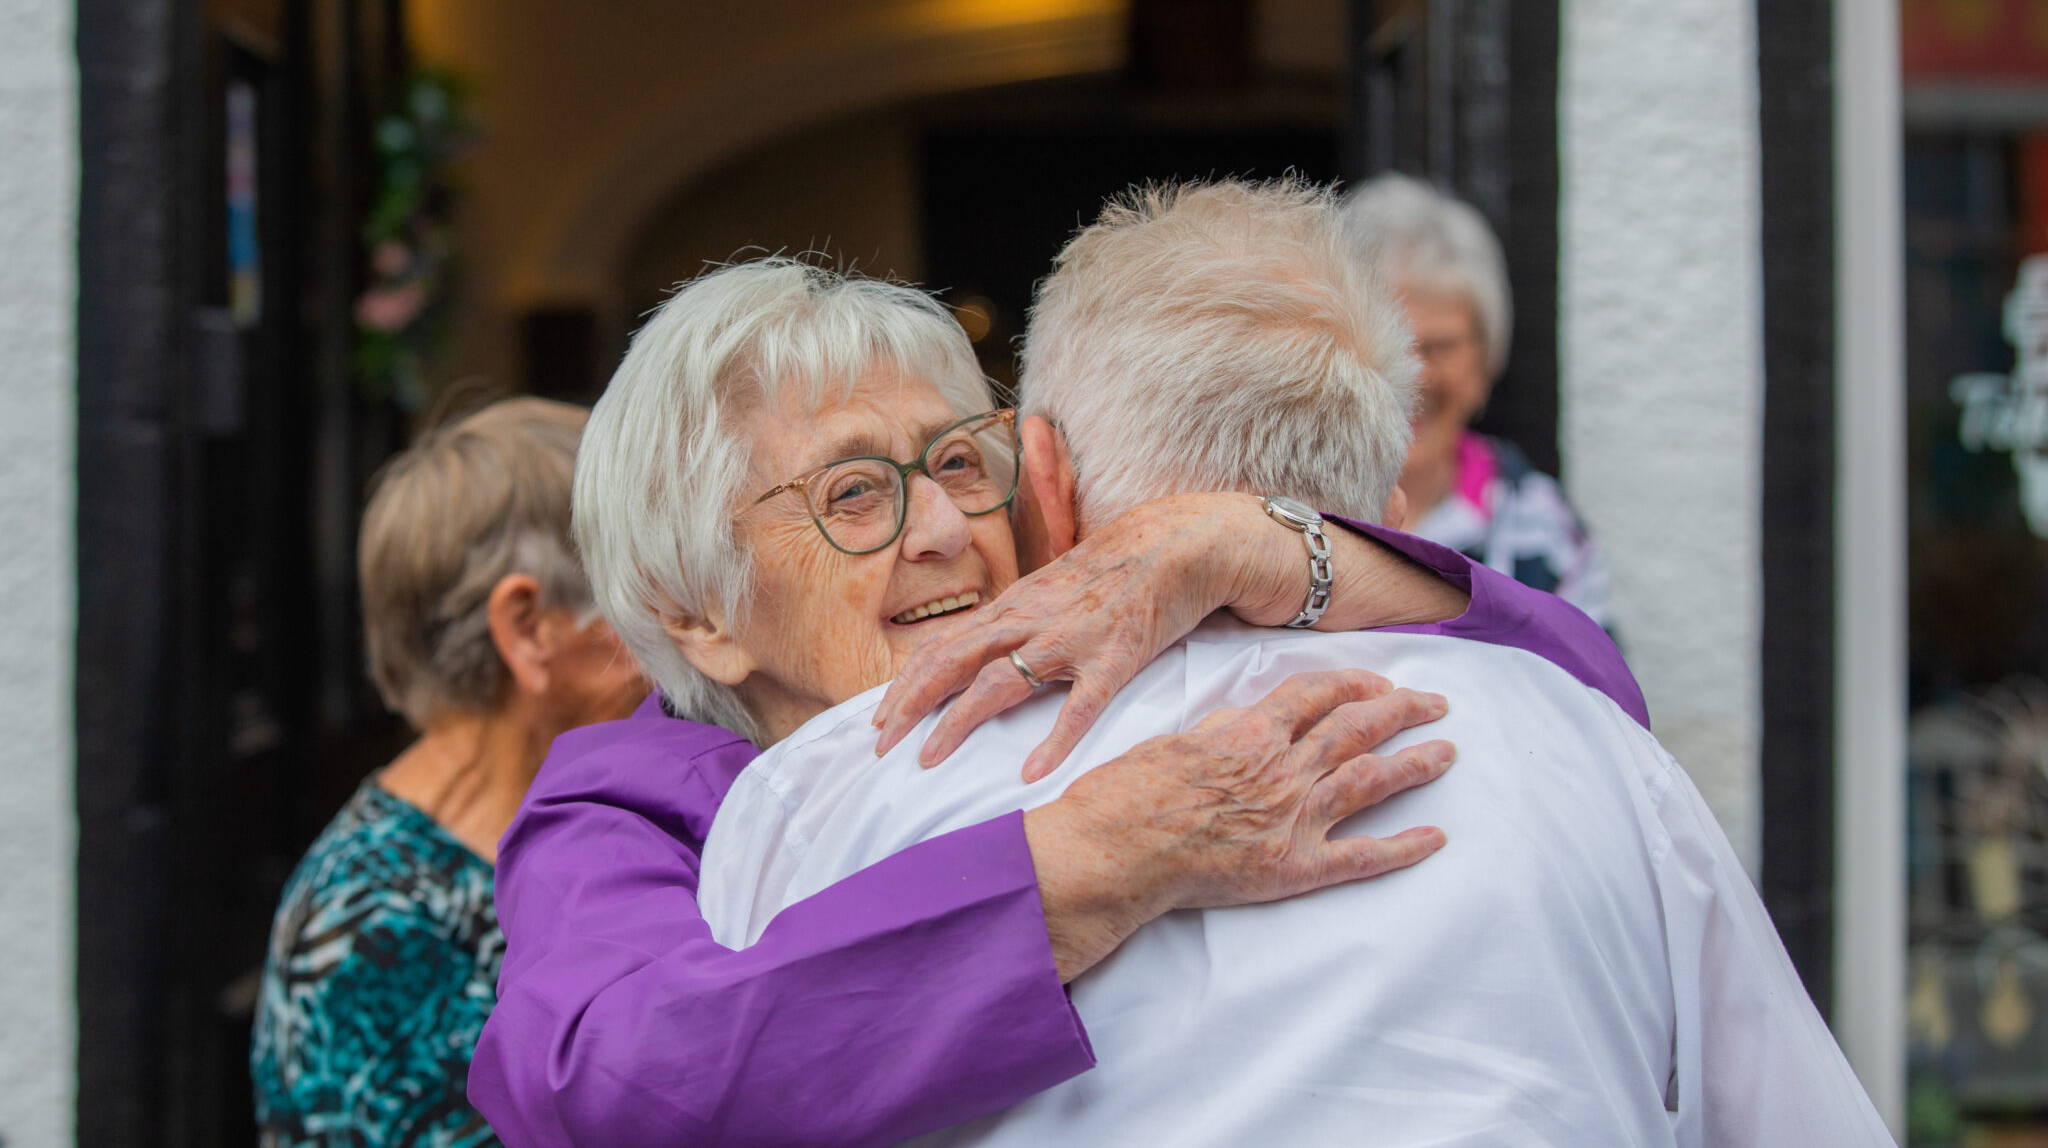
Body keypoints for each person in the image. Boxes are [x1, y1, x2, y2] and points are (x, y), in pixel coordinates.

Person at [696, 180, 1888, 1146]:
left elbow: (700, 1094)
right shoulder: (1599, 759)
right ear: (1382, 502)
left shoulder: (842, 787)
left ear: (1042, 478)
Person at [470, 257, 1647, 1148]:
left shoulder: (1089, 657)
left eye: (957, 465)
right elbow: (611, 1087)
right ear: (695, 613)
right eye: (851, 495)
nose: (942, 533)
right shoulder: (620, 804)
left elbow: (1576, 682)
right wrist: (1100, 860)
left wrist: (1257, 547)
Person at [251, 398, 651, 1147]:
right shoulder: (374, 921)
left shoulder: (575, 824)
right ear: (527, 627)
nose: (685, 635)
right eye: (643, 598)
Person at [1341, 174, 1616, 631]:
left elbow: (1597, 695)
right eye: (1390, 344)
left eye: (1441, 346)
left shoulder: (1540, 526)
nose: (1414, 376)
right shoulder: (1286, 514)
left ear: (1484, 357)